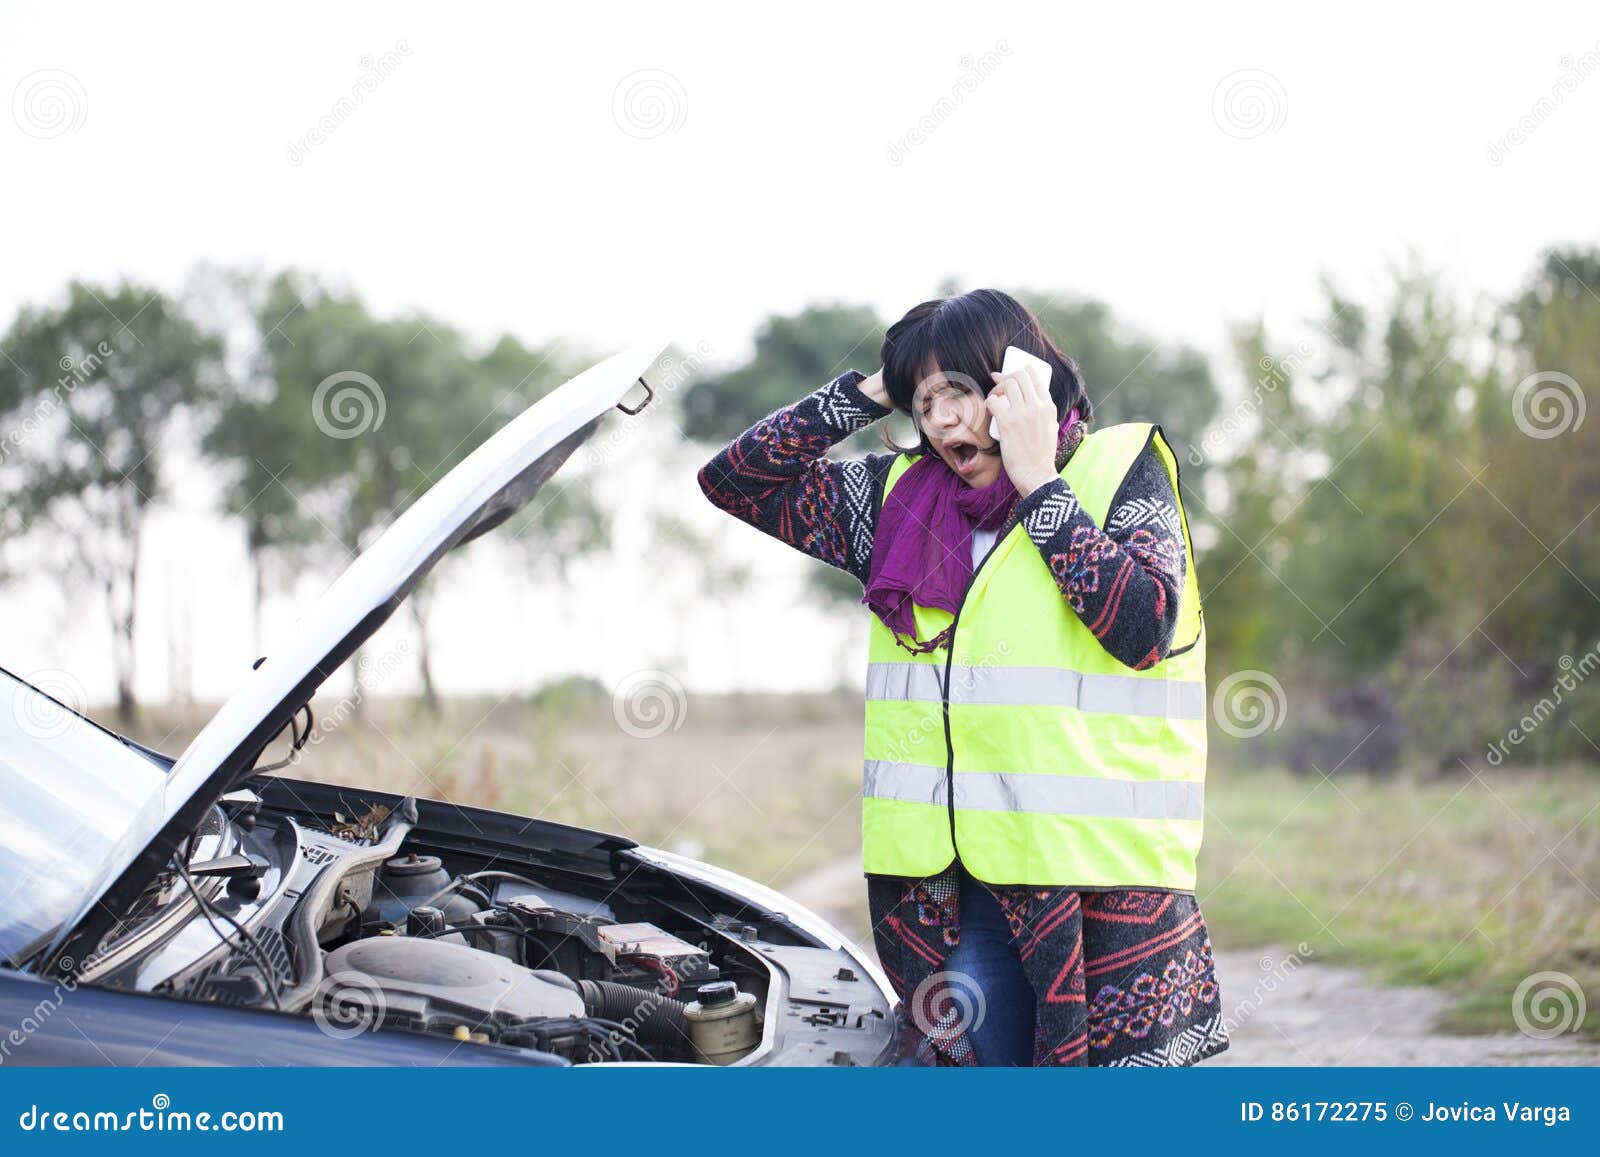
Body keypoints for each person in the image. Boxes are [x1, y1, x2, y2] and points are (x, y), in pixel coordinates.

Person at [698, 288, 1225, 1067]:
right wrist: (873, 386)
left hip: (1095, 882)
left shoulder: (1118, 473)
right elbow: (737, 479)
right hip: (952, 886)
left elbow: (1140, 624)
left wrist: (1040, 481)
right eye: (924, 400)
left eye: (962, 393)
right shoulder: (893, 504)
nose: (941, 419)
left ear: (1020, 387)